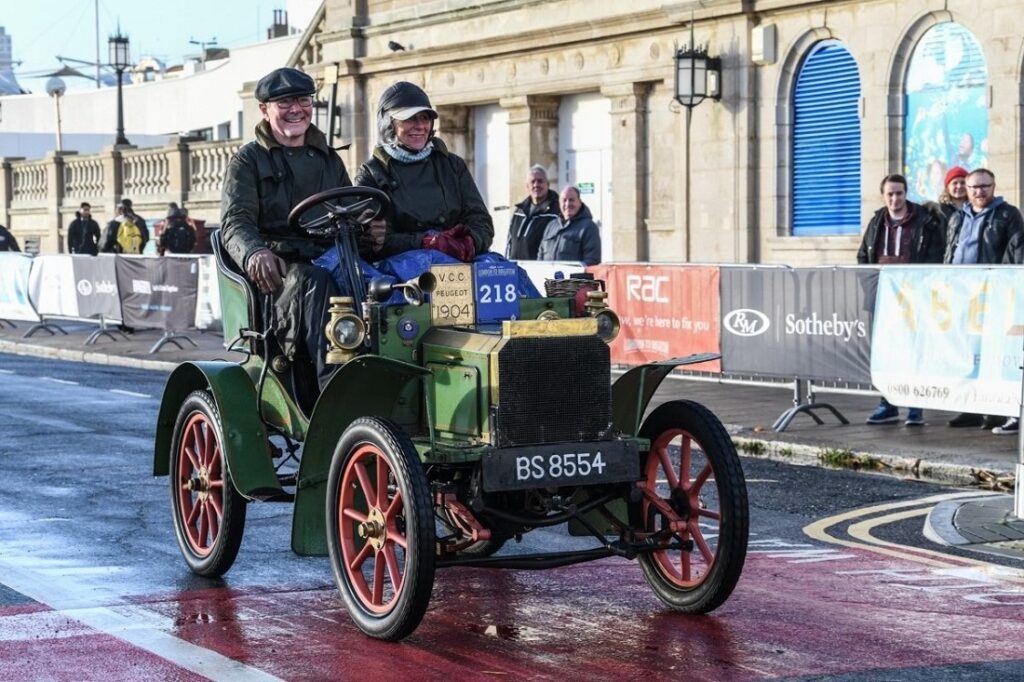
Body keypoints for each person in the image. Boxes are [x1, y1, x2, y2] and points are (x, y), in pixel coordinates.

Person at [221, 67, 351, 390]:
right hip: (279, 277)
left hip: (331, 258)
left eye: (303, 100)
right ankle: (334, 396)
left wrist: (369, 229)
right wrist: (255, 252)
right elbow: (234, 222)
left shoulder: (329, 160)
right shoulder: (248, 162)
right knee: (317, 282)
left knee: (384, 286)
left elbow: (349, 210)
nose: (296, 109)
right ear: (265, 110)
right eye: (284, 102)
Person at [355, 81, 493, 262]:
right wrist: (425, 242)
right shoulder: (372, 173)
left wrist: (469, 242)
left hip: (459, 260)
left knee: (513, 277)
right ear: (388, 124)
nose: (420, 126)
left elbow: (481, 221)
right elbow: (375, 242)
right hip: (402, 269)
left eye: (425, 118)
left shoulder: (452, 165)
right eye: (410, 119)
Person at [858, 174, 945, 426]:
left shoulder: (925, 221)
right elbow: (863, 255)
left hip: (914, 300)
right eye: (890, 194)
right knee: (887, 354)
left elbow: (934, 257)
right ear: (883, 195)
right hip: (883, 300)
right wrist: (870, 286)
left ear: (906, 193)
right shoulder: (877, 222)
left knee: (914, 352)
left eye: (899, 193)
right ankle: (888, 404)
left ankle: (915, 407)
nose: (895, 199)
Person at [944, 168, 1024, 431]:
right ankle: (971, 407)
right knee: (968, 353)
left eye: (984, 186)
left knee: (993, 355)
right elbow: (950, 251)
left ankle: (995, 410)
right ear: (966, 189)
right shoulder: (957, 217)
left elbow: (1016, 252)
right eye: (974, 187)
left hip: (994, 296)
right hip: (962, 296)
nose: (979, 191)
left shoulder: (1007, 215)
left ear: (993, 186)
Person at [536, 185, 601, 265]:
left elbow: (592, 261)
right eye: (564, 200)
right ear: (559, 203)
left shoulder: (589, 227)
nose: (567, 204)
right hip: (548, 276)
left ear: (579, 202)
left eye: (571, 200)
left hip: (572, 277)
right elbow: (540, 256)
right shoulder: (551, 226)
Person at [506, 165, 559, 260]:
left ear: (548, 184)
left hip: (538, 269)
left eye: (540, 181)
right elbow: (510, 242)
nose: (536, 185)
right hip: (516, 268)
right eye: (532, 182)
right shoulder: (519, 211)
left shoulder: (556, 212)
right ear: (527, 186)